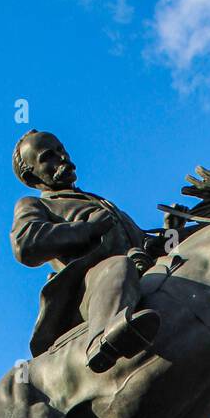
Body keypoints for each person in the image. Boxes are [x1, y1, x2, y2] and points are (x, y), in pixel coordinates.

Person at [11, 129, 161, 371]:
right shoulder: (36, 204)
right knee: (117, 265)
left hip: (136, 271)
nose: (61, 158)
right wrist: (88, 229)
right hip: (87, 289)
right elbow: (25, 243)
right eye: (48, 156)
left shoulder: (98, 202)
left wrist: (165, 238)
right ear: (31, 175)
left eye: (61, 150)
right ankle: (102, 341)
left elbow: (138, 241)